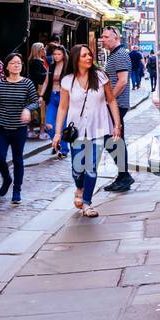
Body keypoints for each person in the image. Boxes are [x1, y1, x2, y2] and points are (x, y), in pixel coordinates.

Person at [52, 44, 122, 217]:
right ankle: (79, 188)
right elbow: (62, 107)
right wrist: (58, 132)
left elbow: (111, 100)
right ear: (77, 59)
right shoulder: (67, 80)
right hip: (77, 130)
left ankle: (87, 203)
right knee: (77, 168)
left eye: (89, 55)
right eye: (84, 56)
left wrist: (117, 125)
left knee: (91, 168)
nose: (89, 58)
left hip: (98, 128)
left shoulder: (100, 76)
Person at [0, 53, 41, 204]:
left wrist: (27, 109)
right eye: (13, 63)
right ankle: (6, 179)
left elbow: (35, 102)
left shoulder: (27, 84)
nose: (17, 65)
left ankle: (17, 190)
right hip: (2, 127)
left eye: (19, 63)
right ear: (7, 66)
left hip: (19, 128)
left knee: (18, 159)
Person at [100, 27, 134, 193]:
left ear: (116, 38)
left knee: (113, 140)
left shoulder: (120, 55)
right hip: (116, 104)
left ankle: (124, 176)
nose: (103, 40)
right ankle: (122, 176)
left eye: (106, 37)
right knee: (114, 140)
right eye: (102, 37)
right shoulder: (115, 54)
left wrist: (109, 100)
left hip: (117, 104)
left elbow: (122, 81)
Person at [44, 44, 70, 159]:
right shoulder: (51, 65)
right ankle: (57, 142)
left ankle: (64, 149)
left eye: (59, 54)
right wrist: (41, 96)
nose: (56, 56)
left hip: (63, 97)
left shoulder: (68, 67)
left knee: (62, 125)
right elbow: (46, 82)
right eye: (54, 54)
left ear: (64, 55)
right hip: (52, 96)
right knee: (48, 125)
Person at [27, 42, 50, 138]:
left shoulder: (33, 61)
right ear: (38, 50)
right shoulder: (37, 62)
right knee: (42, 110)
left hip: (34, 89)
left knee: (34, 110)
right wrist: (49, 74)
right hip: (39, 89)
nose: (44, 50)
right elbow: (39, 77)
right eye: (42, 49)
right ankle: (42, 132)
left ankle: (31, 131)